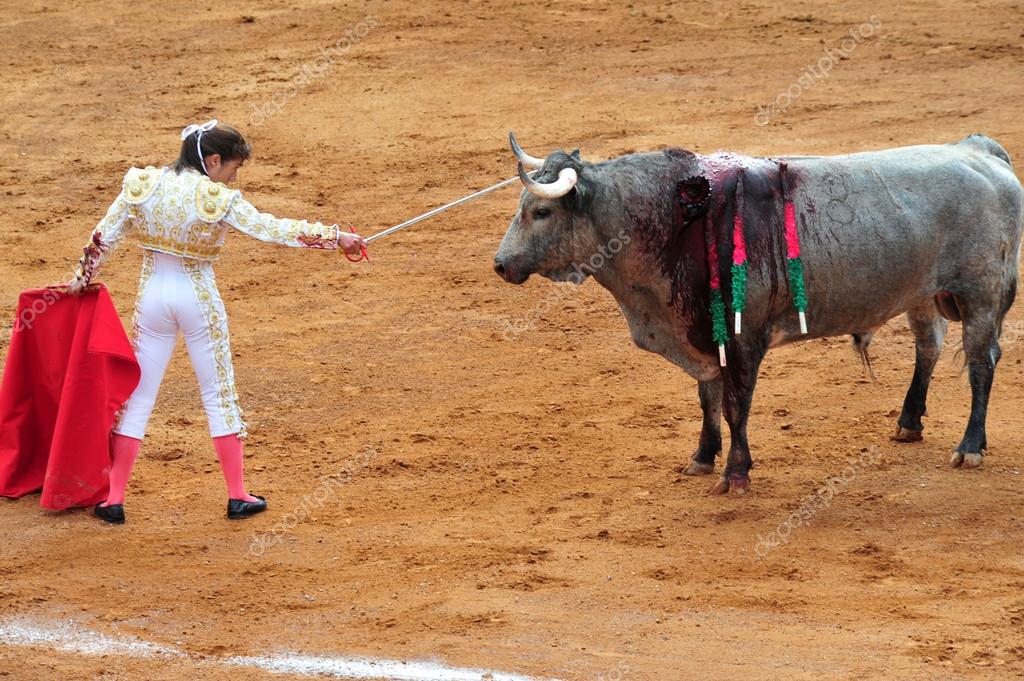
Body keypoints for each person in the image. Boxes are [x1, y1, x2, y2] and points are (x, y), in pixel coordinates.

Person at [67, 119, 367, 524]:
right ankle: (237, 495)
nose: (233, 177)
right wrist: (335, 237)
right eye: (232, 168)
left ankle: (114, 499)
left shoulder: (143, 184)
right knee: (217, 393)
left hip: (153, 295)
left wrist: (78, 282)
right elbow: (271, 229)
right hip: (197, 298)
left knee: (137, 396)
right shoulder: (214, 197)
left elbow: (102, 238)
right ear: (212, 160)